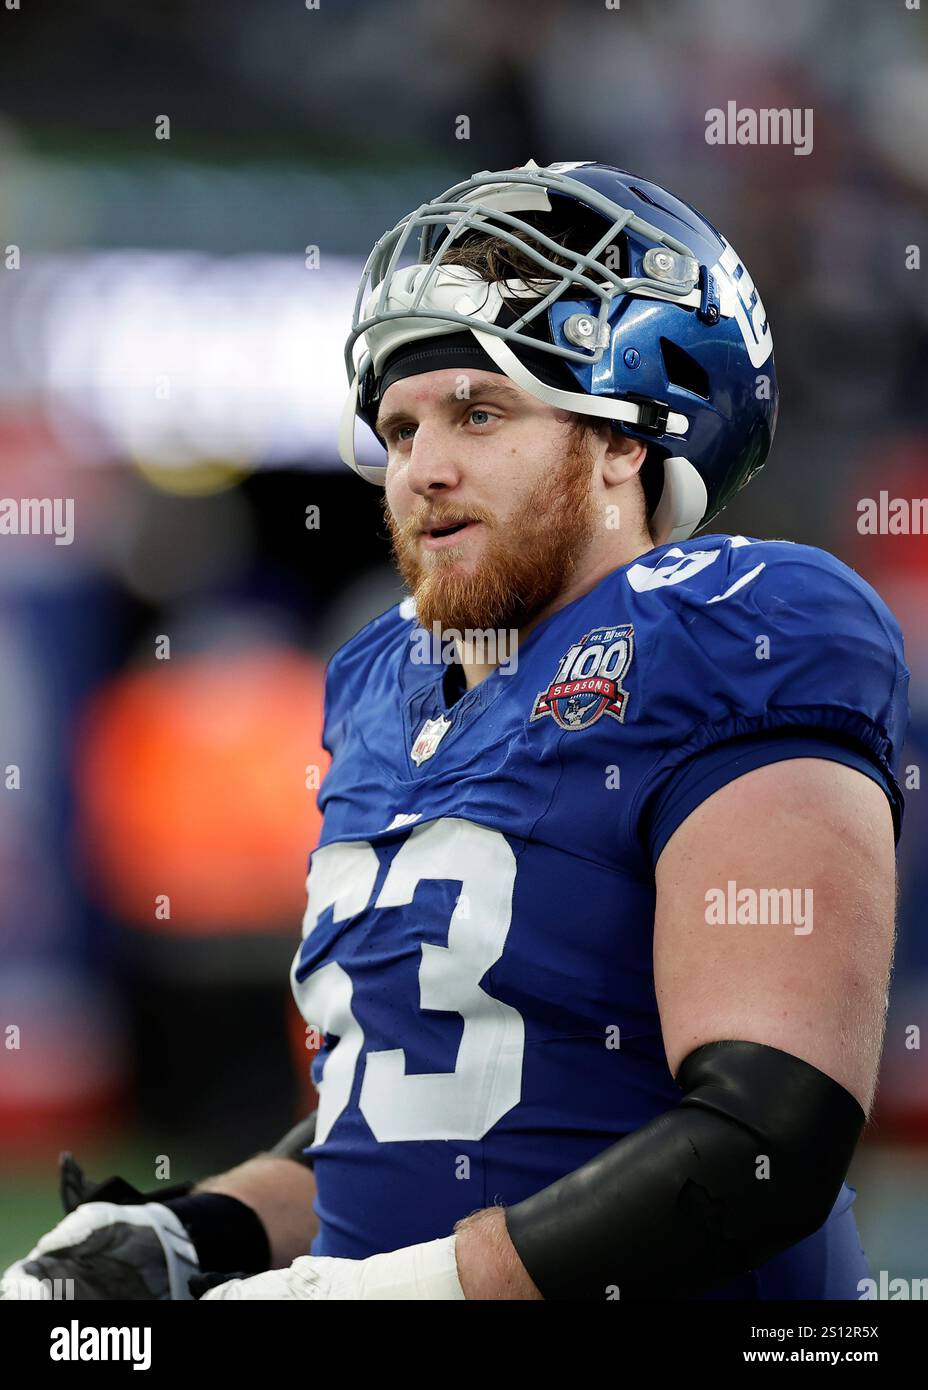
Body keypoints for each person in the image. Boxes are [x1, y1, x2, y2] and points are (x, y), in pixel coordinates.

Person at [1, 160, 909, 1301]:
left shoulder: (740, 627)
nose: (422, 468)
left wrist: (400, 1293)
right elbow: (404, 1110)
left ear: (626, 439)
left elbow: (761, 1137)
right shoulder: (383, 684)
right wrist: (195, 1235)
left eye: (480, 412)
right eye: (399, 426)